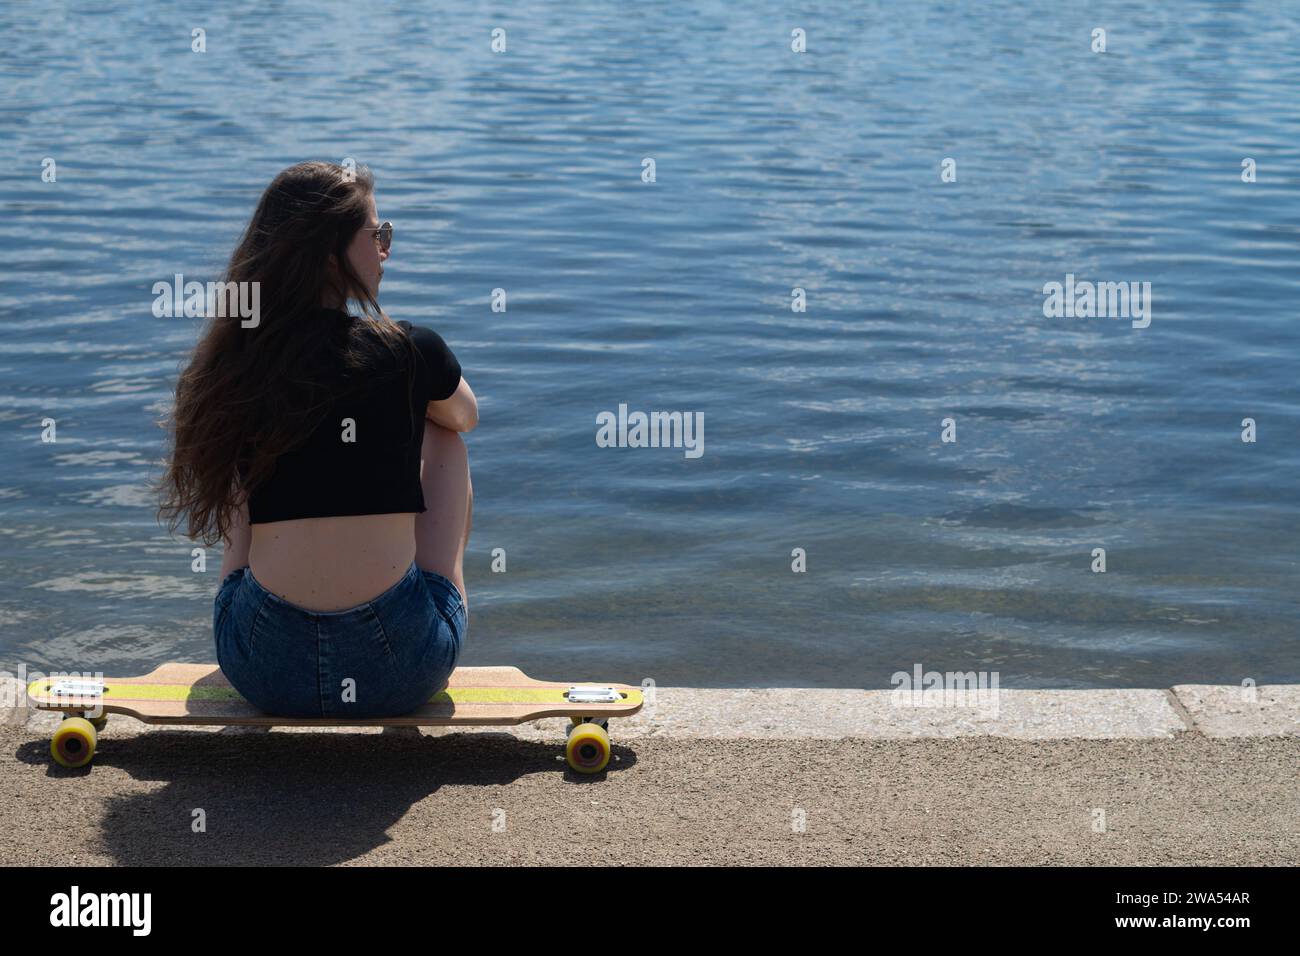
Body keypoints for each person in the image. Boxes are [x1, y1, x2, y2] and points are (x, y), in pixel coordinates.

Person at [153, 160, 477, 717]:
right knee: (443, 433)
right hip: (400, 669)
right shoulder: (412, 349)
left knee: (245, 461)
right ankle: (435, 585)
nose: (386, 249)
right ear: (331, 254)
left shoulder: (239, 365)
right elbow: (465, 416)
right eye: (377, 235)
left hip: (264, 671)